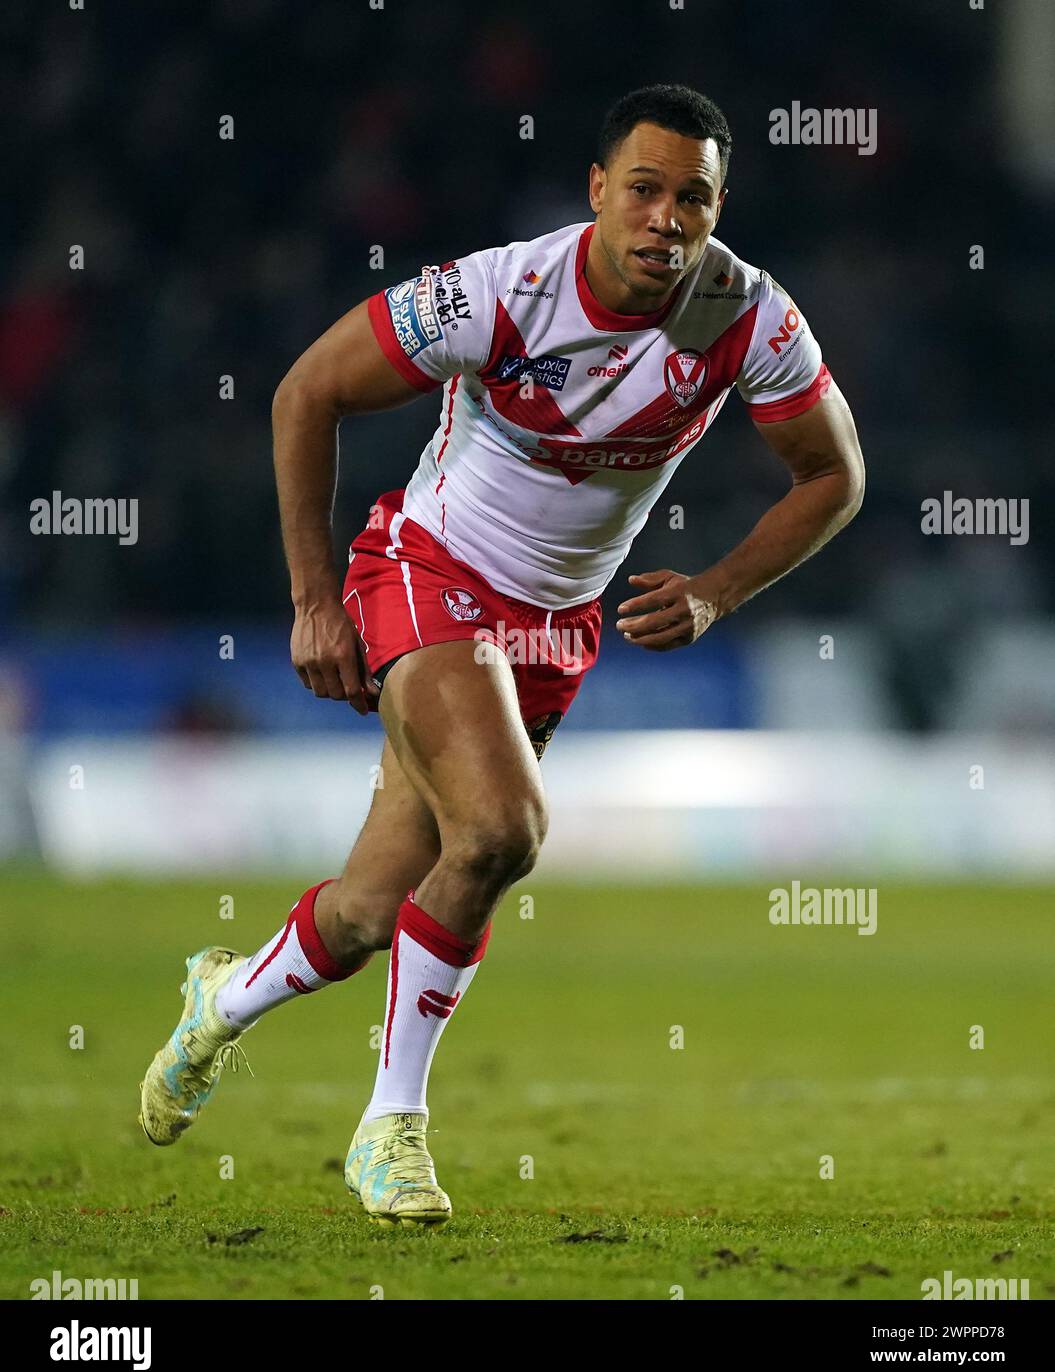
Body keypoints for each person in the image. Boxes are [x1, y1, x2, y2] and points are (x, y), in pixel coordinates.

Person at [139, 83, 865, 1228]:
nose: (665, 221)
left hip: (551, 633)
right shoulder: (501, 292)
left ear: (719, 208)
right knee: (502, 829)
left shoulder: (749, 318)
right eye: (642, 190)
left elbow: (834, 475)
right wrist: (312, 600)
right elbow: (307, 390)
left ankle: (218, 1001)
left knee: (376, 906)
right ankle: (391, 1128)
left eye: (693, 199)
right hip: (427, 573)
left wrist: (720, 592)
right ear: (595, 191)